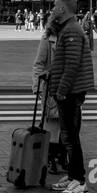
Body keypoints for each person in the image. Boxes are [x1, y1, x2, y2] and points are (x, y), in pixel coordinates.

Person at [47, 0, 95, 193]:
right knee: (67, 136)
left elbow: (72, 64)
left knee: (71, 136)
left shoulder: (72, 30)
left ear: (63, 9)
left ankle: (79, 180)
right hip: (69, 91)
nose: (52, 9)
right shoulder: (67, 28)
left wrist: (61, 91)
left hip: (71, 92)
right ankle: (73, 175)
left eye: (55, 6)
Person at [32, 17, 66, 176]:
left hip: (67, 88)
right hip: (51, 88)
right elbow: (39, 63)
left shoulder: (71, 39)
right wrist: (37, 87)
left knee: (66, 125)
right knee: (51, 123)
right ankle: (51, 158)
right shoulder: (47, 40)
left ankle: (62, 157)